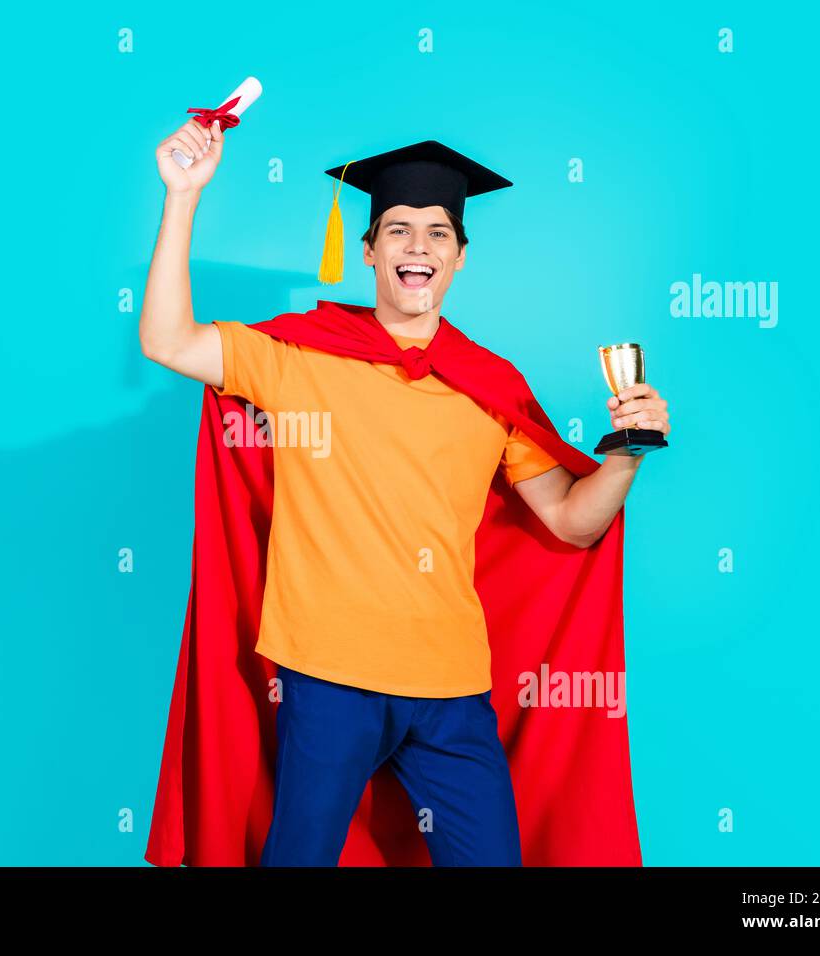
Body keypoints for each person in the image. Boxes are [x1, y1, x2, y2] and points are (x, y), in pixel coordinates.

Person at [140, 117, 671, 866]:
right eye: (397, 229)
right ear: (369, 252)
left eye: (436, 233)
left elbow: (570, 521)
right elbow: (167, 340)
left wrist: (626, 454)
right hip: (327, 678)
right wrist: (182, 196)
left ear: (459, 258)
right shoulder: (299, 358)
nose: (416, 245)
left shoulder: (493, 386)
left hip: (452, 690)